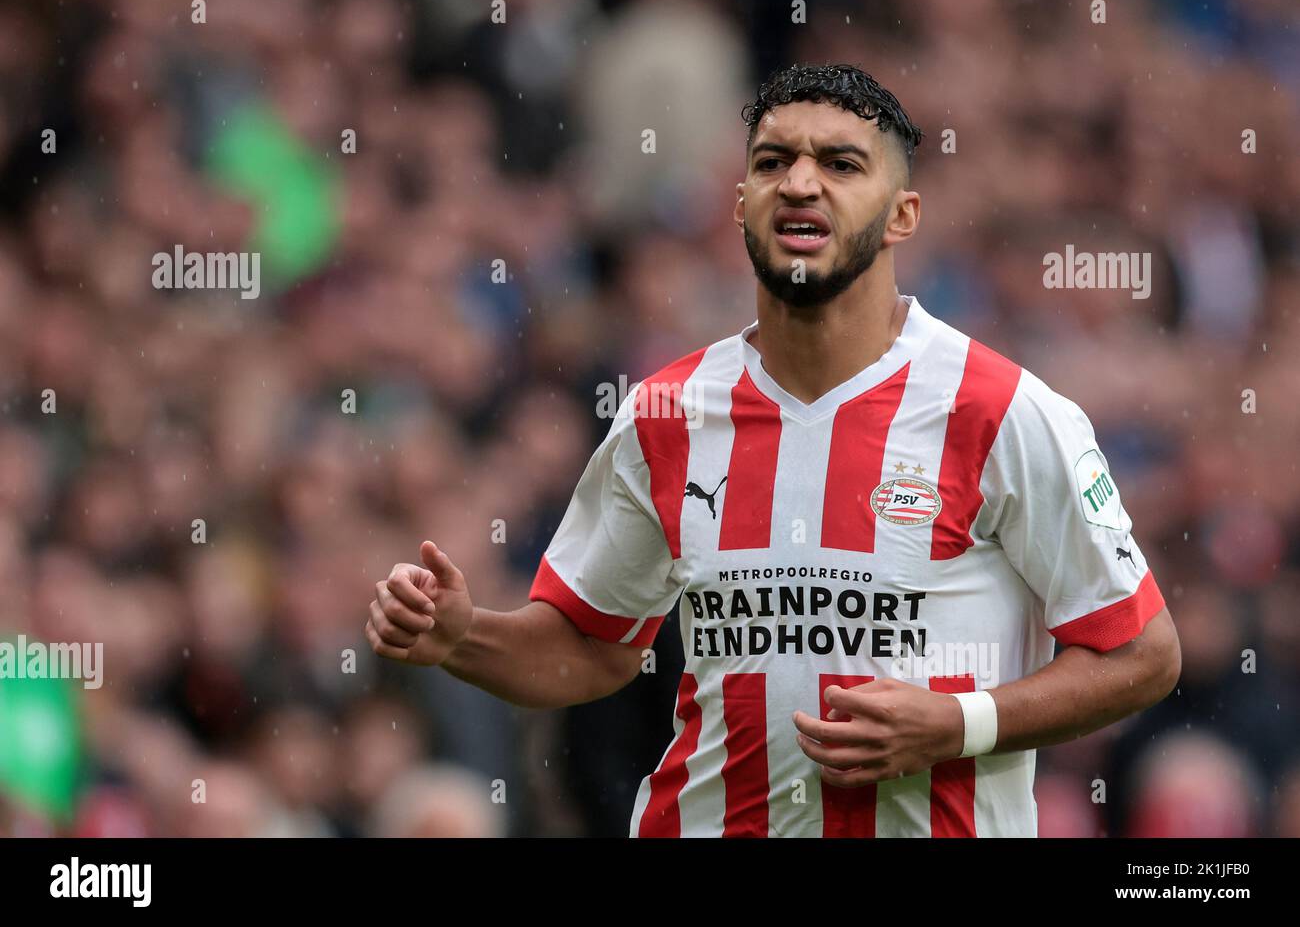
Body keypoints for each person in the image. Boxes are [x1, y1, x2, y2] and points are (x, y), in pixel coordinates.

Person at [365, 63, 1181, 837]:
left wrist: (957, 725)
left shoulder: (1003, 411)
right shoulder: (665, 412)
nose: (799, 181)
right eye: (772, 160)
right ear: (741, 200)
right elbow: (589, 645)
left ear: (903, 214)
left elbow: (1142, 653)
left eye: (840, 163)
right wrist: (462, 637)